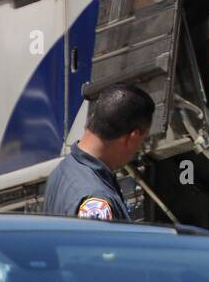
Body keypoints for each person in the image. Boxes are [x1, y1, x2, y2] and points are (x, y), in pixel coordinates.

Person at [43, 84, 154, 220]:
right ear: (133, 137)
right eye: (143, 140)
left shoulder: (62, 170)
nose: (139, 148)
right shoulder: (96, 197)